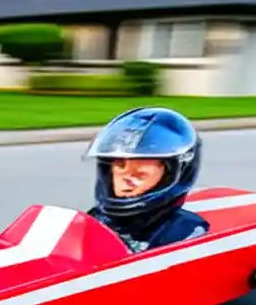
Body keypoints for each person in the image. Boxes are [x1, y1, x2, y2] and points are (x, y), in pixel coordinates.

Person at [83, 107, 208, 253]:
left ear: (168, 178)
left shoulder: (185, 233)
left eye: (140, 174)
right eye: (120, 167)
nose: (126, 180)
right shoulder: (92, 222)